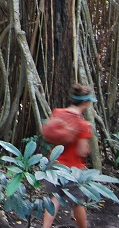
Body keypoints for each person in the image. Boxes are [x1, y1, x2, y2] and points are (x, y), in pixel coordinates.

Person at [42, 83, 97, 228]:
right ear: (85, 102)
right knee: (78, 203)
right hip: (73, 170)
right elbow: (81, 151)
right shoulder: (82, 124)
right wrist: (87, 148)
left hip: (54, 165)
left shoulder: (57, 113)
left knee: (54, 199)